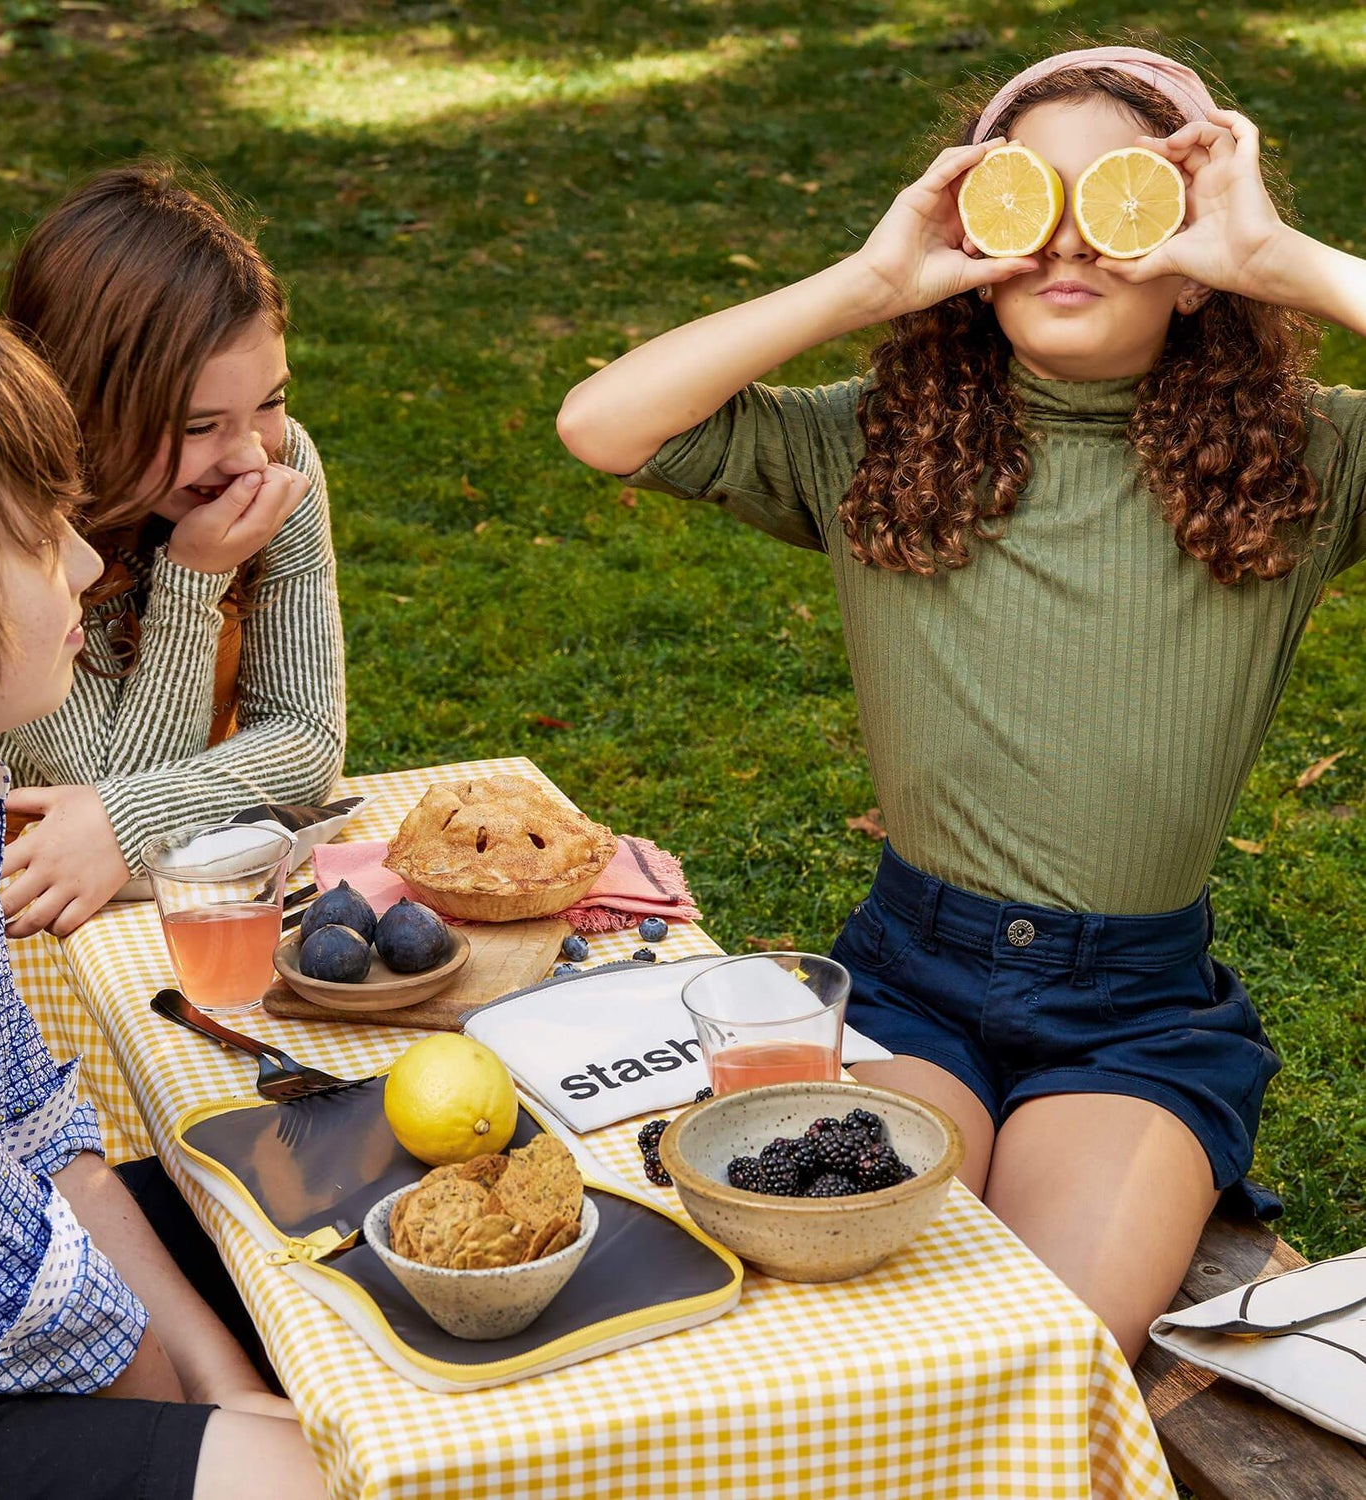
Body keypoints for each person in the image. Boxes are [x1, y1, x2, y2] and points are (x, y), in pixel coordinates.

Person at [557, 45, 1366, 1362]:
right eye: (1017, 197)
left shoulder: (1308, 460)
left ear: (1190, 242)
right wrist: (872, 281)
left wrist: (1282, 259)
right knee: (845, 1319)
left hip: (1136, 1012)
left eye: (1116, 199)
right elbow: (603, 423)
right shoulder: (874, 442)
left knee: (1034, 1349)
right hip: (910, 982)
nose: (1064, 239)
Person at [0, 289, 327, 1498]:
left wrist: (229, 1384)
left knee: (311, 1259)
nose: (83, 560)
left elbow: (35, 1124)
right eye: (35, 537)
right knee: (320, 1475)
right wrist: (219, 1434)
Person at [0, 163, 347, 940]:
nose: (250, 455)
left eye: (272, 401)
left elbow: (307, 741)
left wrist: (126, 818)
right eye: (197, 426)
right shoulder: (2, 519)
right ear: (86, 405)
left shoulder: (279, 469)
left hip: (180, 881)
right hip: (16, 906)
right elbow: (98, 782)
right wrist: (195, 580)